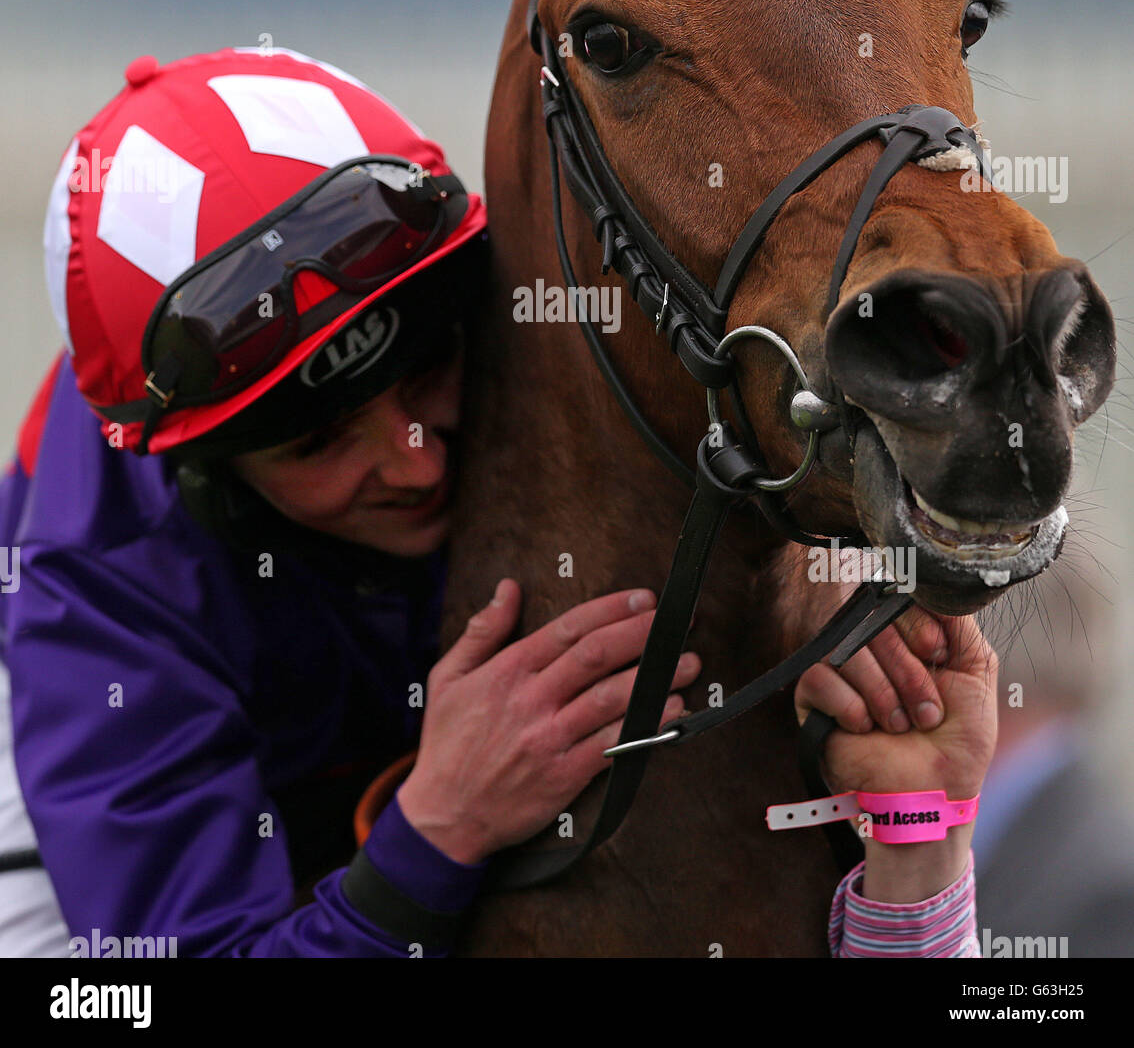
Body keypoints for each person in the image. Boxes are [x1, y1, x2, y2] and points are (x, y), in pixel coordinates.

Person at [0, 46, 997, 958]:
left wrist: (810, 561)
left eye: (427, 371)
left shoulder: (528, 318)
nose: (418, 460)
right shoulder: (99, 584)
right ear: (208, 476)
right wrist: (436, 828)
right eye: (318, 440)